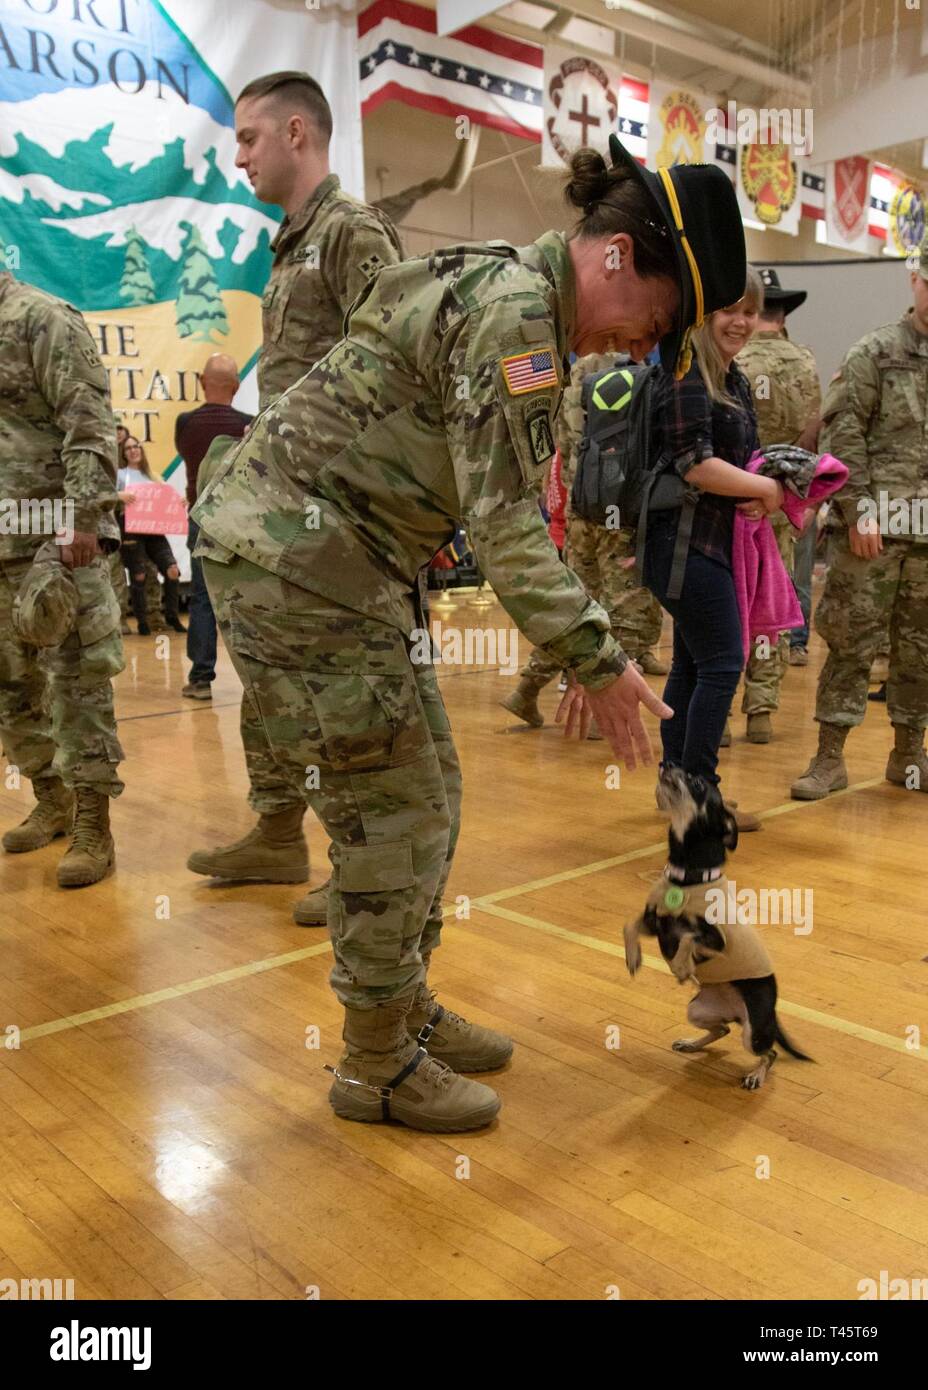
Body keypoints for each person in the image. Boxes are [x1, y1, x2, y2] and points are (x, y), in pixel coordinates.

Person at [191, 135, 747, 1132]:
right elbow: (501, 525)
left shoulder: (500, 279)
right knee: (391, 812)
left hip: (341, 563)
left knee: (432, 790)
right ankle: (373, 1063)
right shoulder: (516, 322)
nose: (642, 350)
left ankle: (401, 1004)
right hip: (303, 566)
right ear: (619, 257)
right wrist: (598, 655)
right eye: (655, 323)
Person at [186, 71, 403, 930]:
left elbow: (396, 369)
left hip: (337, 520)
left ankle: (361, 868)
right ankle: (278, 832)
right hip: (283, 511)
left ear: (298, 134)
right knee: (274, 687)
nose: (237, 156)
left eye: (248, 138)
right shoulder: (292, 243)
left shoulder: (353, 234)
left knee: (339, 707)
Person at [641, 267, 779, 832]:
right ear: (704, 315)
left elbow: (738, 459)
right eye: (729, 310)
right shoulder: (687, 372)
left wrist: (762, 485)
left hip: (707, 543)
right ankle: (699, 797)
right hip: (682, 545)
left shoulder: (734, 378)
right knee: (723, 663)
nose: (741, 321)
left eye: (750, 310)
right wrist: (763, 489)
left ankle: (677, 783)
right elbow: (693, 463)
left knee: (695, 664)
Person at [791, 235, 928, 800]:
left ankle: (909, 757)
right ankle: (829, 758)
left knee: (920, 649)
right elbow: (844, 433)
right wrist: (860, 513)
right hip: (872, 530)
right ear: (915, 283)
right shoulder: (876, 352)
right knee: (851, 641)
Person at [0, 269, 124, 886]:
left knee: (79, 686)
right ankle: (52, 800)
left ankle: (93, 827)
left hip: (52, 542)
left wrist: (81, 520)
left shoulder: (41, 317)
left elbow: (89, 422)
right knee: (12, 690)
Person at [501, 348, 667, 733]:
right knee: (623, 612)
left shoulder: (572, 373)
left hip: (581, 505)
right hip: (621, 508)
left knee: (574, 610)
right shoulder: (641, 375)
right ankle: (598, 714)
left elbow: (558, 440)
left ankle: (526, 689)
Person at [736, 268, 822, 741]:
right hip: (779, 499)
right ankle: (761, 709)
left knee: (728, 601)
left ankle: (719, 699)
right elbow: (814, 433)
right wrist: (800, 499)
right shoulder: (805, 363)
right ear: (784, 314)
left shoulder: (730, 357)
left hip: (728, 495)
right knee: (772, 600)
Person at [175, 354, 252, 699]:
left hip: (201, 520)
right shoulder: (250, 424)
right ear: (236, 388)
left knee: (203, 600)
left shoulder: (185, 423)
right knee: (248, 599)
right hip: (241, 522)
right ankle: (257, 679)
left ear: (201, 381)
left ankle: (201, 678)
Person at [118, 438, 185, 637]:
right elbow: (106, 493)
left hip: (154, 530)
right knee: (139, 575)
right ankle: (142, 622)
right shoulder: (121, 474)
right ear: (124, 453)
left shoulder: (153, 476)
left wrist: (180, 501)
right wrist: (119, 495)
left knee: (172, 570)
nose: (132, 450)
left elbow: (169, 497)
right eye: (128, 448)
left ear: (141, 449)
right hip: (131, 529)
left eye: (136, 446)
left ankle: (172, 616)